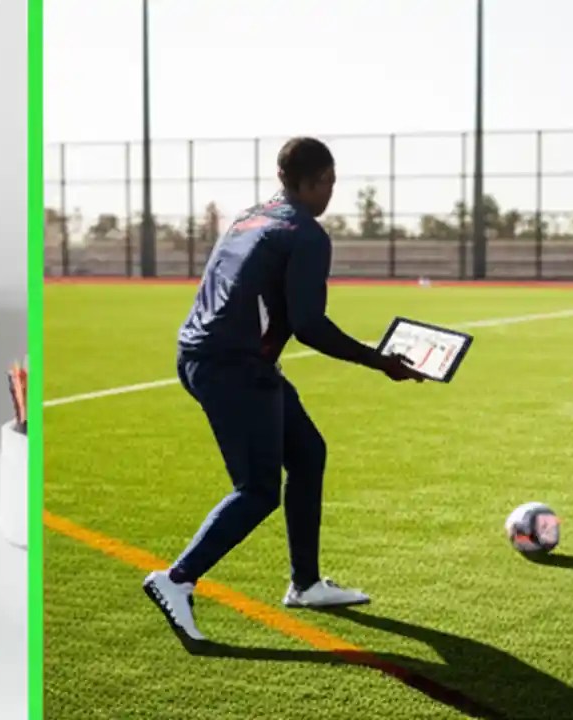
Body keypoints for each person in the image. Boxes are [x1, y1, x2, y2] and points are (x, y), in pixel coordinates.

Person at [142, 136, 426, 642]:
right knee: (256, 490)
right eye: (330, 184)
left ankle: (306, 583)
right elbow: (309, 324)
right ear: (314, 180)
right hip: (233, 366)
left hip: (205, 355)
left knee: (308, 453)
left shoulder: (250, 216)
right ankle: (177, 579)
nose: (331, 194)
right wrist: (379, 361)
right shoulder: (307, 234)